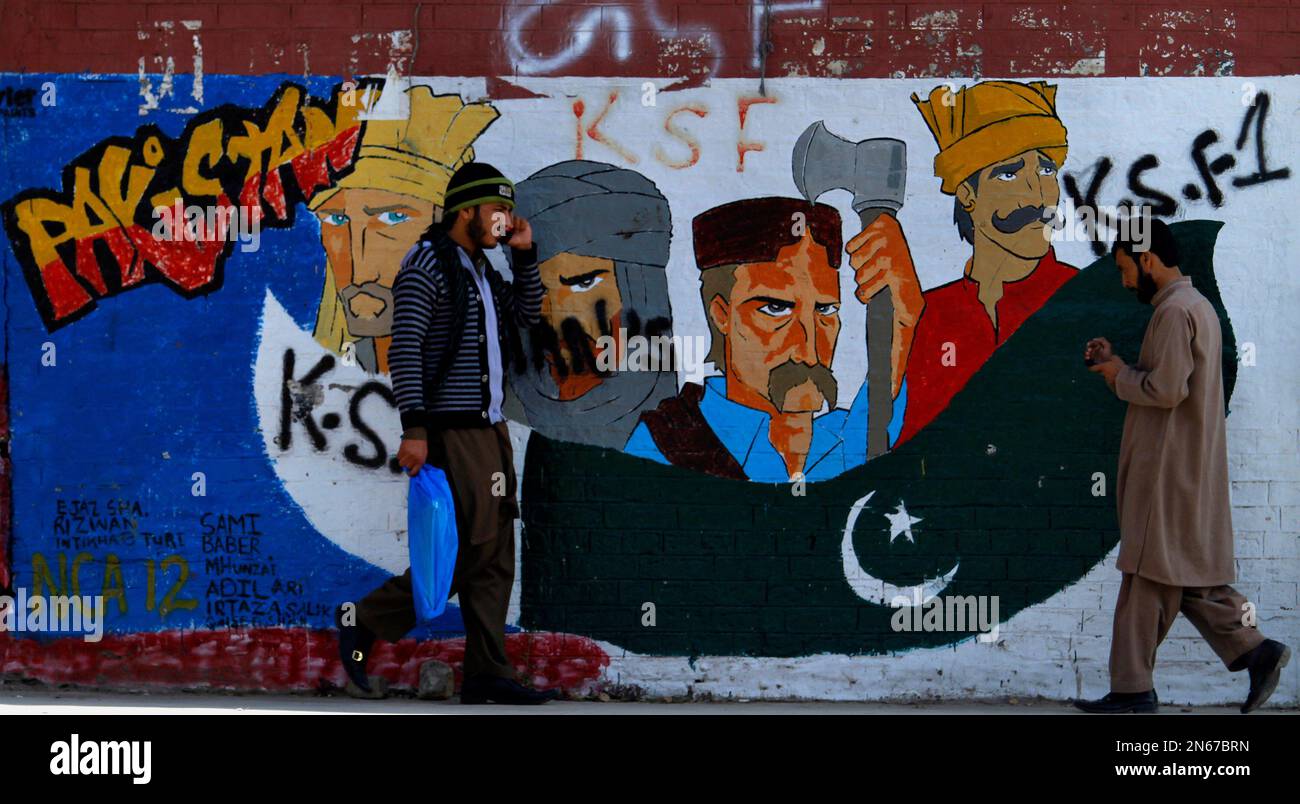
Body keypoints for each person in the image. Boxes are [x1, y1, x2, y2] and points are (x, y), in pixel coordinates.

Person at [335, 162, 558, 705]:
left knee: (495, 551)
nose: (504, 220)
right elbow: (404, 349)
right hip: (452, 431)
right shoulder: (427, 266)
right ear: (467, 212)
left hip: (489, 429)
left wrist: (522, 254)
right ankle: (366, 621)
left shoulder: (478, 268)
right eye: (497, 211)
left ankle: (487, 673)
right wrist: (414, 428)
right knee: (469, 549)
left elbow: (526, 315)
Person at [1074, 219, 1289, 714]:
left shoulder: (1174, 313)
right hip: (1184, 467)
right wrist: (1119, 367)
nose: (1125, 281)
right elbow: (1168, 380)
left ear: (1146, 259)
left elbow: (1166, 390)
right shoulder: (1194, 309)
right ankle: (1255, 650)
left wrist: (1117, 373)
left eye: (1127, 268)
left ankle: (1133, 693)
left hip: (1165, 471)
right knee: (1181, 576)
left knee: (1144, 573)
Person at [624, 197, 906, 482]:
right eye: (776, 309)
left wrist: (905, 317)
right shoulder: (668, 446)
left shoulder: (848, 438)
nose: (809, 351)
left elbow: (892, 384)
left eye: (825, 310)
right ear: (722, 315)